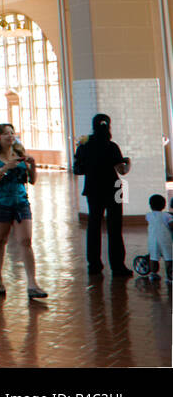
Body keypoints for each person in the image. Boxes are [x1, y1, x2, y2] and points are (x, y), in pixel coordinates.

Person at [0, 123, 46, 298]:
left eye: (12, 133)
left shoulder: (19, 154)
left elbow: (31, 180)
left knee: (25, 240)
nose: (10, 136)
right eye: (6, 134)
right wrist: (5, 168)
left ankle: (32, 283)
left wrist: (33, 166)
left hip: (20, 202)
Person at [73, 113, 132, 276]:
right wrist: (128, 162)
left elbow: (78, 169)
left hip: (93, 188)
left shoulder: (84, 145)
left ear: (93, 126)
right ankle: (118, 266)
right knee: (115, 227)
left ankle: (94, 265)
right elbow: (122, 171)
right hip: (115, 188)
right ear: (109, 126)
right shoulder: (112, 146)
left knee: (93, 225)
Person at [143, 194, 173, 281]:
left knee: (154, 257)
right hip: (165, 240)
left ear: (150, 205)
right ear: (164, 205)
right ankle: (169, 276)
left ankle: (153, 274)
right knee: (168, 258)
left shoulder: (148, 215)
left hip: (152, 240)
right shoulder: (167, 216)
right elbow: (171, 225)